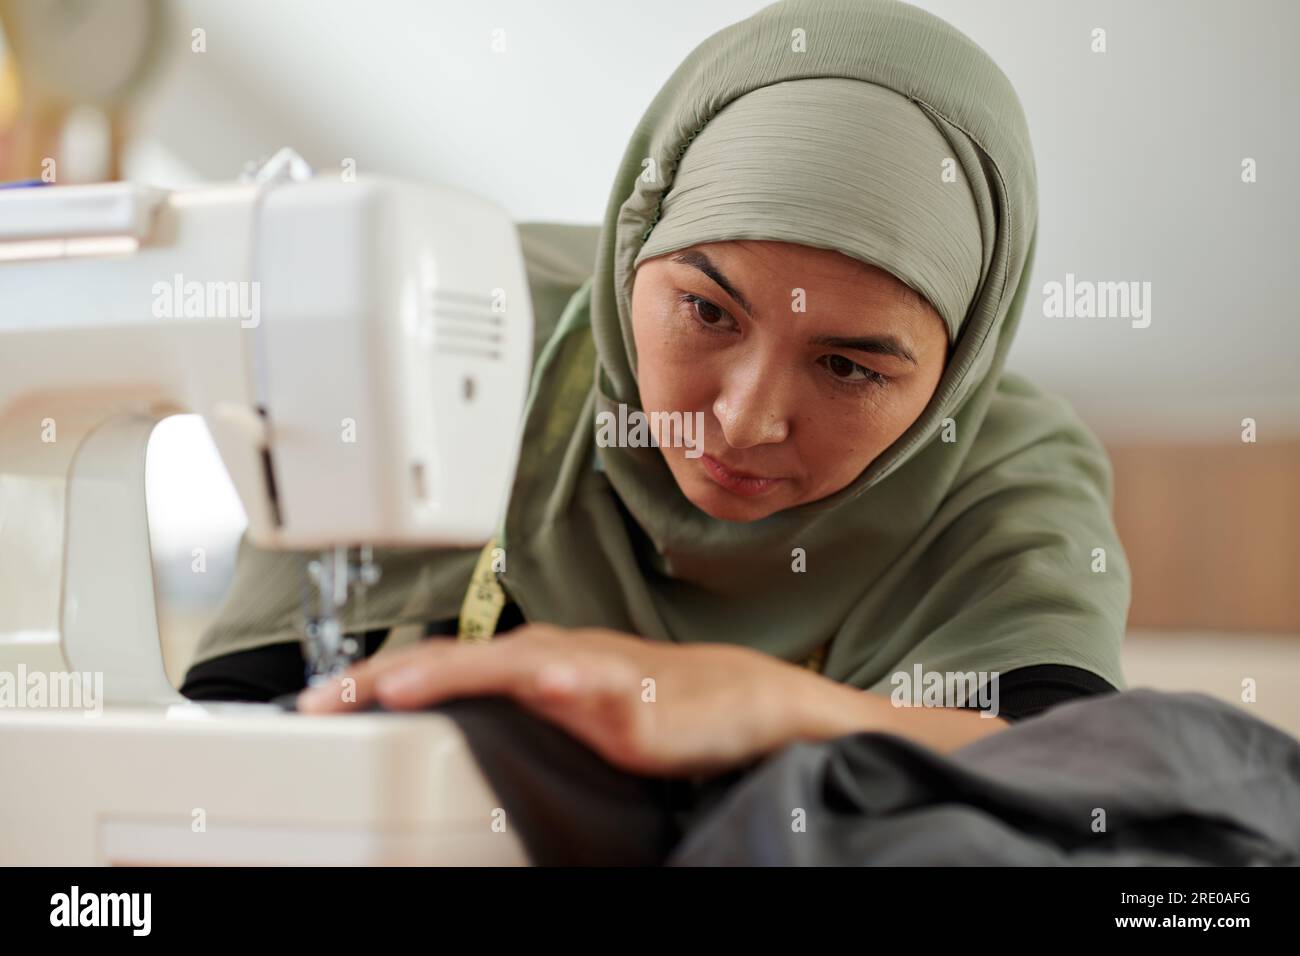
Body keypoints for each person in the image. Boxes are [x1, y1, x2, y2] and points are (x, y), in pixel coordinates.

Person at [182, 0, 1127, 777]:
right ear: (633, 249)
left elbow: (1083, 775)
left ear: (958, 371)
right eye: (708, 313)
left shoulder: (1005, 481)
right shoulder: (450, 338)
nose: (745, 420)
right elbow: (213, 749)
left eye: (848, 368)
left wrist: (765, 703)